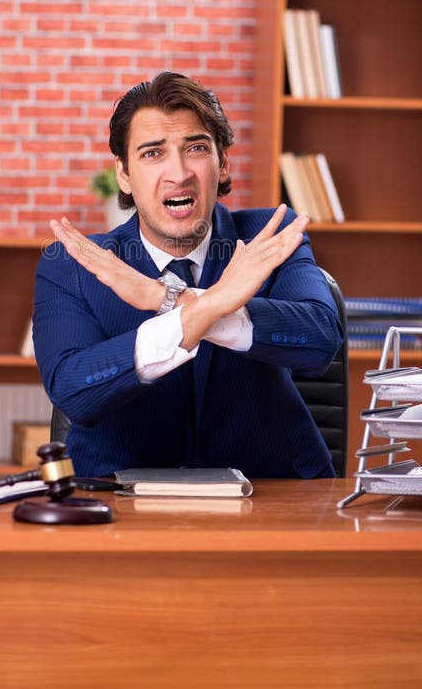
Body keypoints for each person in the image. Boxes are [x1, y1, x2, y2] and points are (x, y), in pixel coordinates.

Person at [33, 72, 343, 479]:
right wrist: (208, 306)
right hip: (121, 503)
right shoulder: (72, 263)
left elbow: (320, 340)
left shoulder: (270, 238)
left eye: (196, 148)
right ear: (124, 174)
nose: (178, 173)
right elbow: (74, 391)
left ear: (224, 162)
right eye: (152, 153)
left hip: (273, 496)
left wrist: (163, 297)